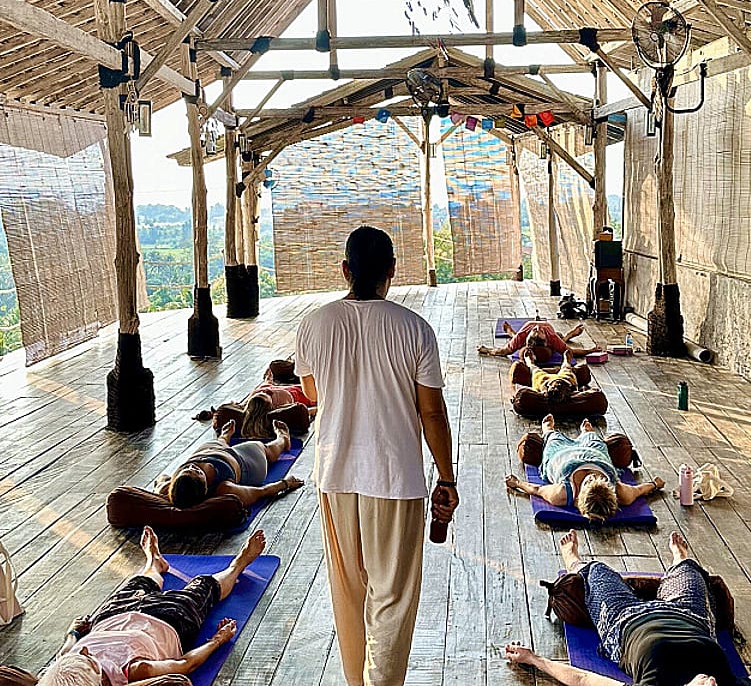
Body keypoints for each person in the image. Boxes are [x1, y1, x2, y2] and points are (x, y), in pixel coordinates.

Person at [294, 225, 458, 686]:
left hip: (335, 474)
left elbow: (312, 393)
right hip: (396, 479)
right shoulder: (415, 330)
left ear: (345, 270)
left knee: (348, 592)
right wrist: (446, 479)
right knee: (392, 596)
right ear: (392, 271)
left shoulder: (315, 324)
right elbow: (432, 412)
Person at [503, 530, 751, 686]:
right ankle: (679, 559)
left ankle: (572, 558)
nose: (713, 683)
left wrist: (533, 659)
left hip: (623, 623)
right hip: (690, 616)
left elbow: (584, 681)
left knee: (595, 573)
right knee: (690, 571)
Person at [37, 526, 266, 686]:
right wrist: (218, 639)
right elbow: (185, 664)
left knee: (139, 582)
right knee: (204, 587)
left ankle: (153, 562)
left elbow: (67, 649)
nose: (85, 651)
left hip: (113, 616)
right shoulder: (135, 672)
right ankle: (238, 565)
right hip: (168, 619)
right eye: (88, 659)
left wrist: (74, 630)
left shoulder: (66, 666)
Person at [505, 415, 662, 521]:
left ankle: (548, 430)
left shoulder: (562, 494)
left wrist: (518, 483)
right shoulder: (622, 493)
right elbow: (640, 490)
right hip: (595, 453)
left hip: (561, 454)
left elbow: (537, 490)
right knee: (593, 438)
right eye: (598, 479)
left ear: (578, 497)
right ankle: (587, 432)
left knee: (553, 439)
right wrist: (655, 484)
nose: (593, 477)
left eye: (589, 482)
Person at [153, 419, 303, 508]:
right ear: (205, 486)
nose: (193, 466)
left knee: (214, 444)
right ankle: (283, 439)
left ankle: (224, 437)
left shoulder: (173, 486)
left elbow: (160, 479)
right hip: (244, 460)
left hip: (215, 449)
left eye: (187, 469)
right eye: (197, 472)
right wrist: (286, 483)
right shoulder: (224, 489)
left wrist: (162, 488)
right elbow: (260, 492)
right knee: (266, 450)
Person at [478, 319, 602, 359]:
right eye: (537, 330)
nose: (538, 326)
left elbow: (570, 352)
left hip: (547, 338)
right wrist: (487, 350)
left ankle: (510, 333)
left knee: (558, 339)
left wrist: (590, 351)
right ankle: (569, 335)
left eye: (539, 330)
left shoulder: (550, 337)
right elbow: (503, 351)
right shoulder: (524, 335)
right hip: (527, 337)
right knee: (558, 343)